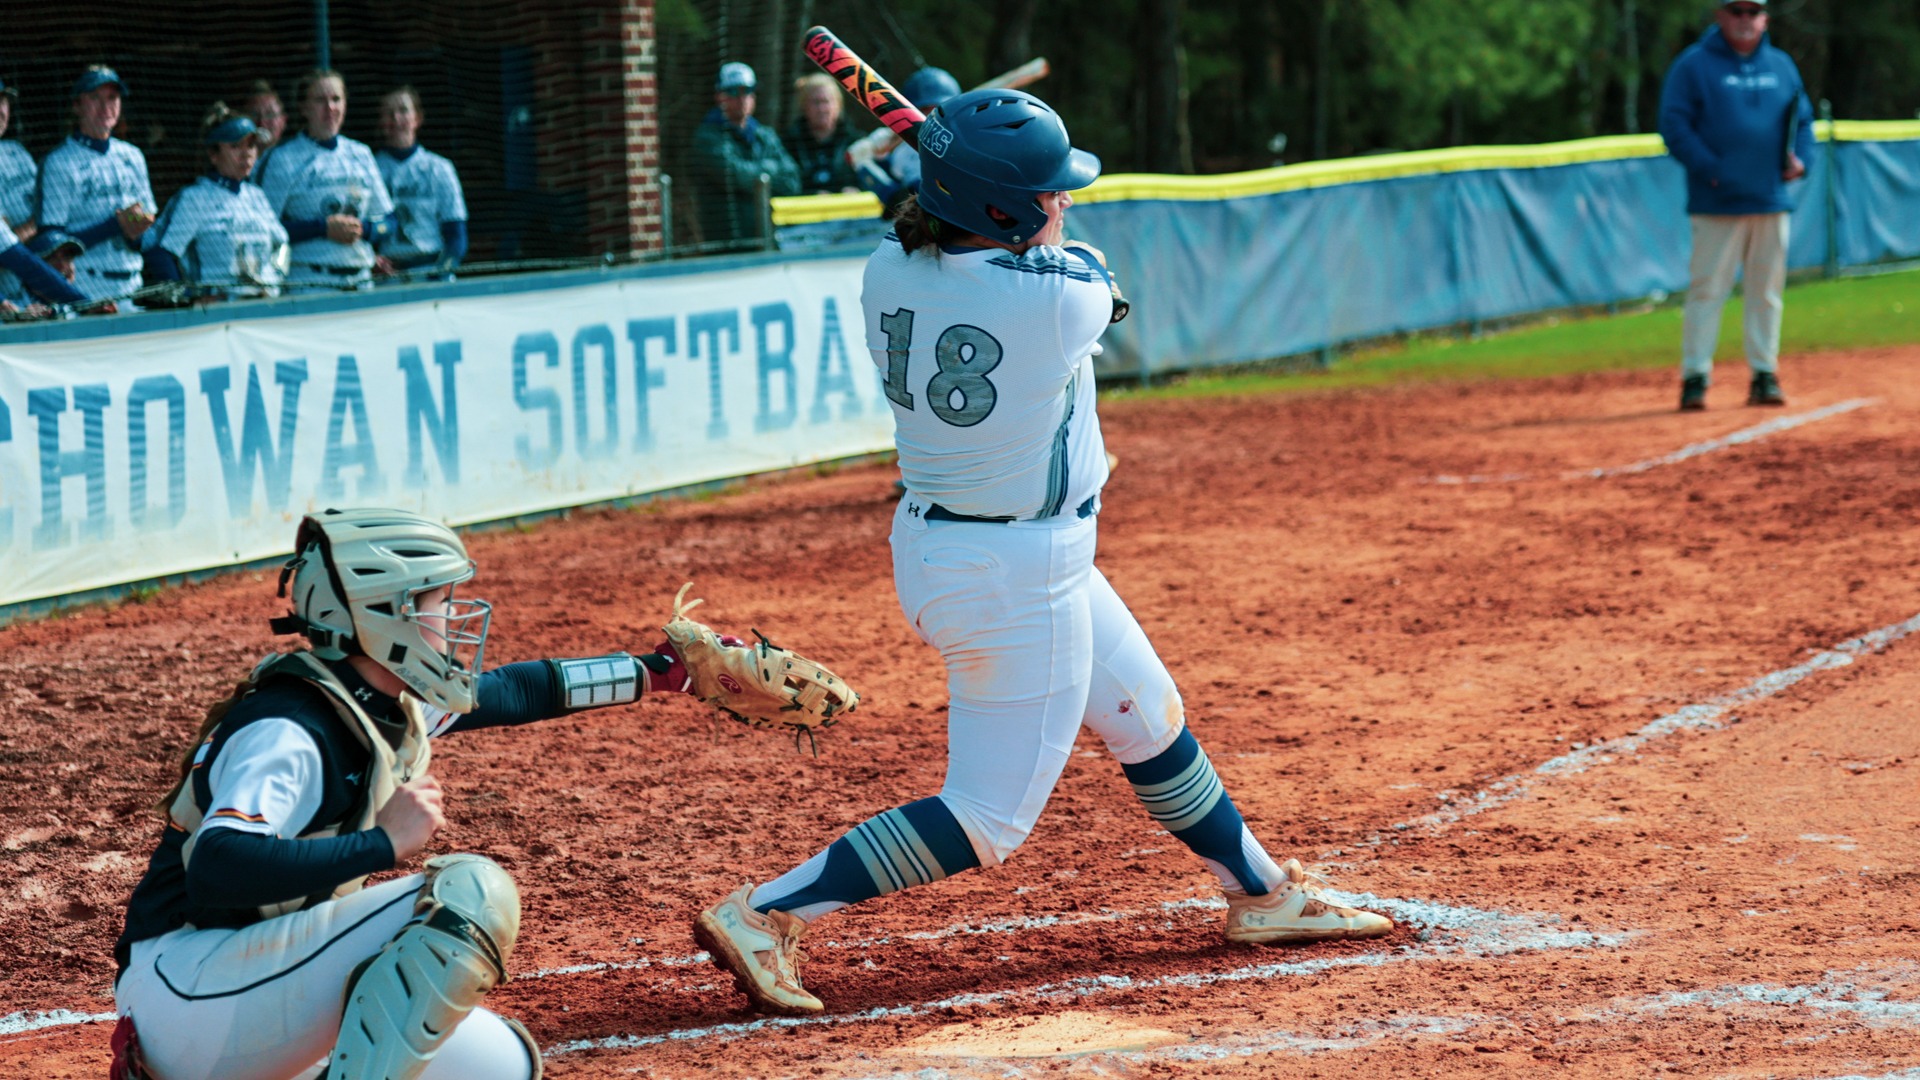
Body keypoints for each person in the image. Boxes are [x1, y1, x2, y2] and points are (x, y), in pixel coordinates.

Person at [691, 88, 1393, 1018]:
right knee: (989, 817)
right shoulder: (1062, 299)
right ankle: (765, 912)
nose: (1063, 202)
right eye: (1050, 192)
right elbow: (1087, 274)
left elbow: (963, 244)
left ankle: (1261, 892)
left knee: (1145, 715)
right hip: (1013, 574)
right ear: (1004, 211)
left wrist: (966, 189)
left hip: (970, 549)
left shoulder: (885, 269)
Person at [112, 507, 717, 1080]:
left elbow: (514, 692)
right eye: (437, 601)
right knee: (471, 891)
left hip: (251, 981)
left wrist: (663, 673)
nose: (454, 617)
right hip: (187, 992)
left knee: (498, 1066)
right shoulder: (289, 729)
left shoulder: (376, 701)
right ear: (386, 612)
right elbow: (217, 867)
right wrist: (384, 842)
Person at [1658, 0, 1814, 411]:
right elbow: (1673, 124)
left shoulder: (1781, 65)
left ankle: (1764, 374)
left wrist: (1801, 160)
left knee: (1767, 291)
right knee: (1707, 289)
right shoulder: (1694, 65)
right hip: (1717, 201)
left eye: (1753, 11)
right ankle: (1695, 377)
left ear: (1765, 18)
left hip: (1769, 198)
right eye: (1736, 10)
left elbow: (1803, 122)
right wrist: (1711, 169)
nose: (1745, 19)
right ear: (1720, 15)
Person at [256, 69, 394, 291]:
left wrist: (365, 229)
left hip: (361, 280)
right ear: (303, 107)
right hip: (310, 281)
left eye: (336, 99)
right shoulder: (283, 158)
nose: (330, 107)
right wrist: (322, 229)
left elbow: (390, 221)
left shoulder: (361, 154)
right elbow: (264, 228)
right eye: (320, 100)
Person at [35, 66, 156, 303]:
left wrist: (136, 234)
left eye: (112, 97)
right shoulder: (59, 162)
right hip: (86, 285)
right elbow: (50, 242)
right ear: (77, 105)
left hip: (134, 285)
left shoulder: (133, 156)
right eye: (94, 97)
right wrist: (114, 226)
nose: (105, 106)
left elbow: (150, 233)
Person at [144, 104, 289, 300]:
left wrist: (273, 283)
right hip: (216, 311)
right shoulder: (194, 198)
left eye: (251, 145)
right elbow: (161, 251)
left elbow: (282, 244)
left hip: (262, 306)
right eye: (235, 146)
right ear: (214, 155)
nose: (246, 153)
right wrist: (188, 297)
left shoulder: (256, 196)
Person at [690, 61, 800, 248]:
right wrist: (770, 169)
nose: (742, 98)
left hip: (770, 238)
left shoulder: (765, 136)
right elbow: (735, 176)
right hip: (727, 243)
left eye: (748, 91)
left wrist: (757, 178)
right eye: (733, 92)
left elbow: (792, 181)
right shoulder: (708, 138)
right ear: (719, 97)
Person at [375, 86, 469, 278]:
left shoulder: (439, 168)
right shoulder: (369, 168)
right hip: (387, 277)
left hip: (431, 270)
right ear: (381, 121)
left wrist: (442, 272)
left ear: (418, 118)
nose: (396, 119)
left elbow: (456, 236)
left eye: (403, 110)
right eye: (389, 113)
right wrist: (371, 260)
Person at [851, 66, 961, 212]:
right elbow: (854, 155)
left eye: (937, 109)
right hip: (919, 215)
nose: (930, 117)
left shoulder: (963, 140)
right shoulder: (897, 143)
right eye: (923, 110)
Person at [781, 73, 860, 196]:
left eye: (826, 101)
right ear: (804, 106)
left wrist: (856, 190)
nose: (822, 109)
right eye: (816, 102)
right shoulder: (788, 144)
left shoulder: (856, 142)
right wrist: (810, 195)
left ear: (839, 105)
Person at [0, 77, 37, 244]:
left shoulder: (16, 150)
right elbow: (5, 245)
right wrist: (43, 223)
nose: (0, 111)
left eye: (3, 101)